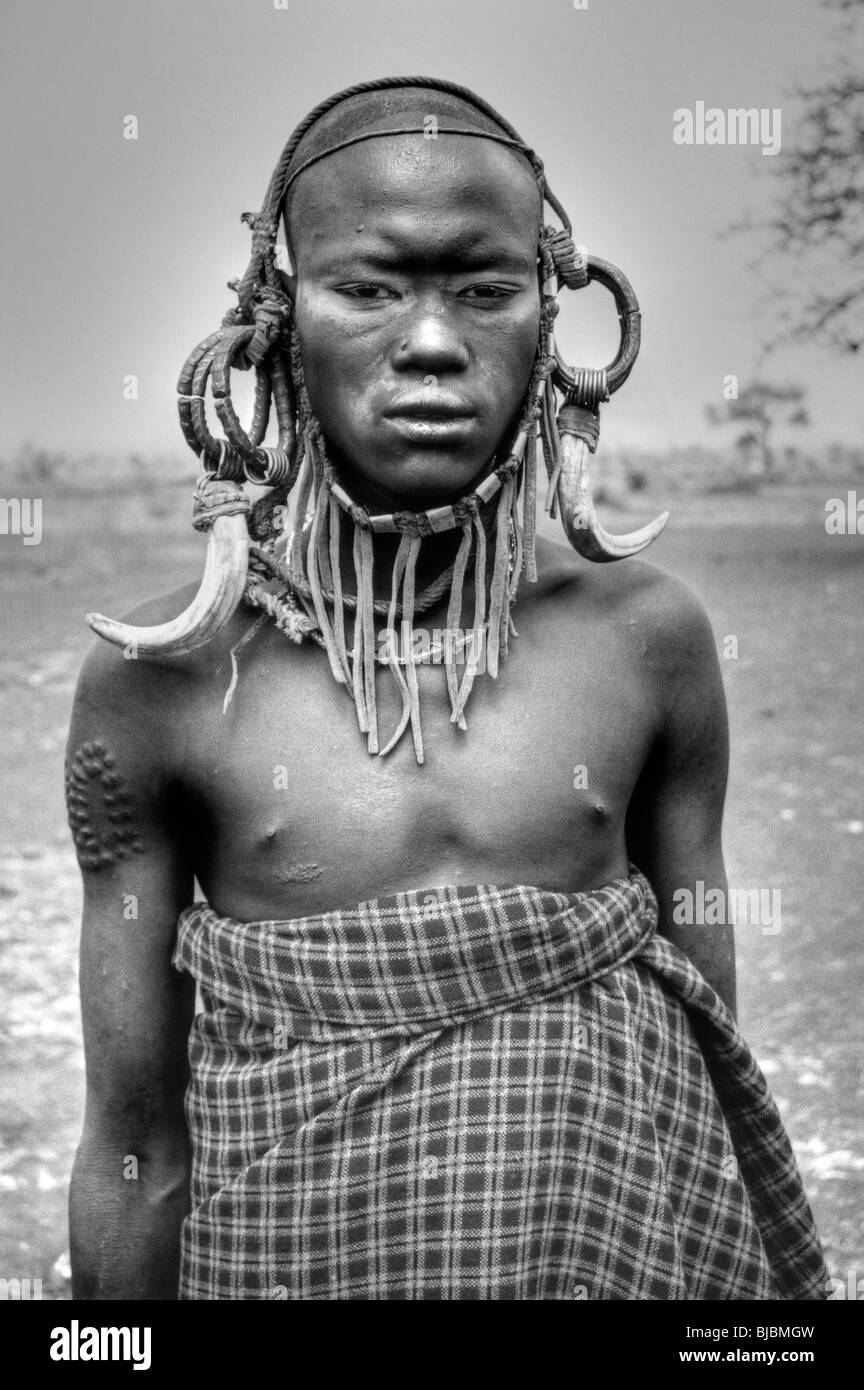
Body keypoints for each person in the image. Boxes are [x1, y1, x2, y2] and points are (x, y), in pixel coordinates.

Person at [66, 77, 828, 1300]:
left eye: (485, 289)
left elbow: (709, 1055)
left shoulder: (648, 638)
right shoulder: (162, 677)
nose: (430, 342)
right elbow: (136, 1144)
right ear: (274, 320)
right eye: (367, 289)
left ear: (554, 320)